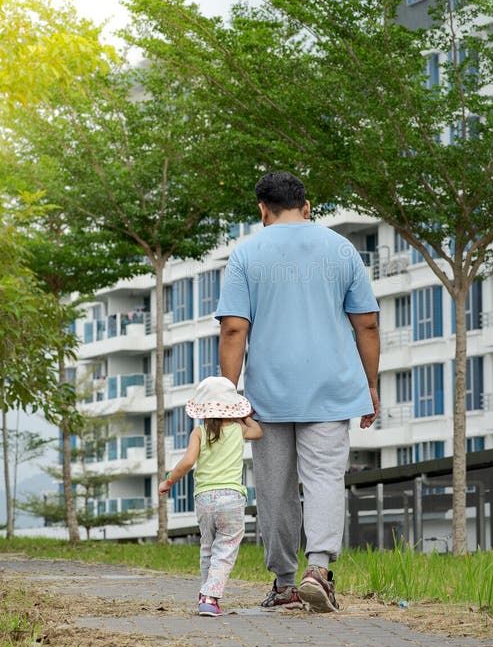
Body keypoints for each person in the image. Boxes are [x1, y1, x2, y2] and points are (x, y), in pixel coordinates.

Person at [215, 171, 380, 613]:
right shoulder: (342, 249)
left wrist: (227, 397)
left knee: (274, 487)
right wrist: (371, 384)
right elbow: (365, 322)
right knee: (325, 476)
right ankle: (320, 570)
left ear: (262, 210)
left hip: (268, 394)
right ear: (307, 208)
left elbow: (234, 328)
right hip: (330, 389)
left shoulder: (245, 254)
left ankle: (285, 582)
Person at [158, 376, 263, 617]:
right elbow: (258, 432)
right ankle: (210, 596)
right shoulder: (238, 429)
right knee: (225, 549)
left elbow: (187, 462)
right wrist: (242, 413)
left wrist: (170, 480)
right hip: (231, 499)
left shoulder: (199, 432)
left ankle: (205, 593)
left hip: (204, 498)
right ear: (232, 406)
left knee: (208, 547)